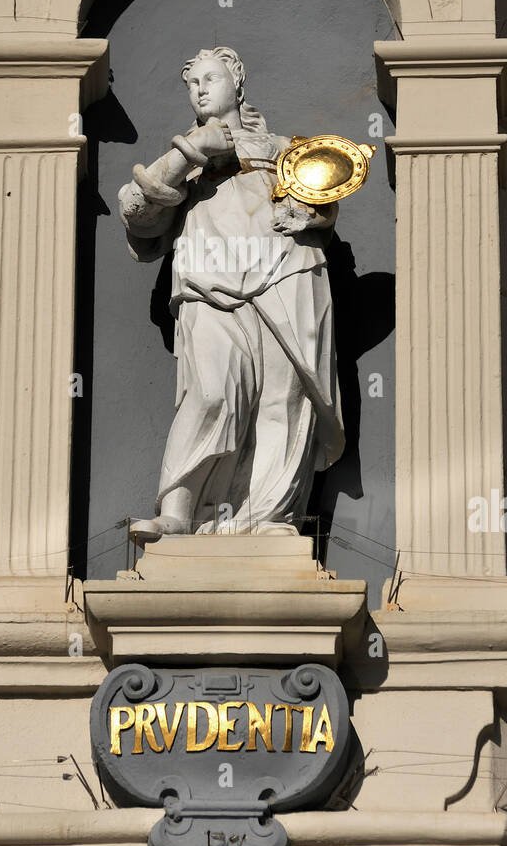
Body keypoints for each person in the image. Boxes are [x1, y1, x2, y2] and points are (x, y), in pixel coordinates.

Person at [118, 46, 344, 540]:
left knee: (282, 398)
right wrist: (191, 150)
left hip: (284, 276)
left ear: (237, 85)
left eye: (210, 78)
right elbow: (137, 213)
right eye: (192, 83)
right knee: (211, 390)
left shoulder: (285, 147)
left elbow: (321, 206)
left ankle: (269, 516)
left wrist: (311, 213)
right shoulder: (187, 156)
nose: (199, 89)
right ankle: (178, 510)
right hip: (207, 281)